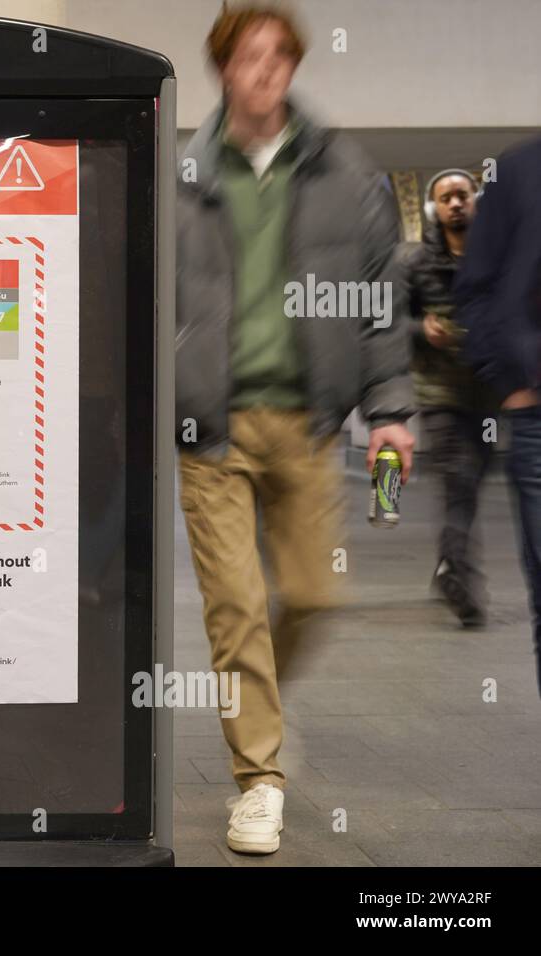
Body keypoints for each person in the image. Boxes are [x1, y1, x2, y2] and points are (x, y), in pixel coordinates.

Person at [175, 3, 415, 854]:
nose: (267, 67)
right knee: (235, 609)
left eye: (280, 53)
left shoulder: (347, 175)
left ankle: (259, 696)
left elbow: (383, 300)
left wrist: (389, 411)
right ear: (223, 67)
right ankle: (259, 779)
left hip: (308, 425)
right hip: (212, 431)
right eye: (249, 54)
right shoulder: (184, 177)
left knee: (314, 594)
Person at [459, 134, 541, 694]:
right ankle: (453, 571)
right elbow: (477, 288)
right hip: (529, 408)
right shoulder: (517, 171)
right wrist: (510, 380)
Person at [407, 169, 493, 626]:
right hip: (439, 394)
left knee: (469, 485)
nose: (456, 203)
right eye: (446, 198)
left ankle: (448, 564)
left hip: (486, 396)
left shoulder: (495, 258)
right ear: (434, 210)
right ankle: (457, 573)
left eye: (463, 195)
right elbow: (387, 323)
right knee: (459, 478)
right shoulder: (418, 264)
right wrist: (421, 329)